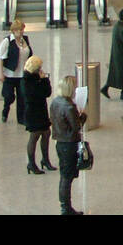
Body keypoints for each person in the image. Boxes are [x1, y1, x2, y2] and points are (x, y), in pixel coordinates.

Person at [49, 75, 86, 215]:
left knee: (64, 175)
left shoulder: (55, 102)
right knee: (66, 177)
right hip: (69, 144)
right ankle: (66, 207)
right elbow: (76, 126)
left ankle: (65, 206)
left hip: (60, 142)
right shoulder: (69, 106)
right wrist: (82, 116)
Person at [21, 56, 56, 174]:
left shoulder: (37, 78)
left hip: (41, 110)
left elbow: (47, 93)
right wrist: (43, 81)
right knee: (34, 136)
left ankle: (45, 160)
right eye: (39, 68)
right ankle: (31, 163)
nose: (41, 70)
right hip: (33, 112)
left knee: (46, 133)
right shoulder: (26, 80)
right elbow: (37, 94)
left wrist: (44, 80)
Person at [0, 20, 32, 124]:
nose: (21, 32)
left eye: (22, 29)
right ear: (13, 31)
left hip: (22, 74)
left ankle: (21, 118)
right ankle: (5, 110)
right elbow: (0, 57)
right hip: (10, 74)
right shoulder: (7, 41)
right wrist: (1, 73)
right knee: (9, 96)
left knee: (22, 97)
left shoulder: (25, 40)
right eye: (19, 30)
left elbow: (29, 54)